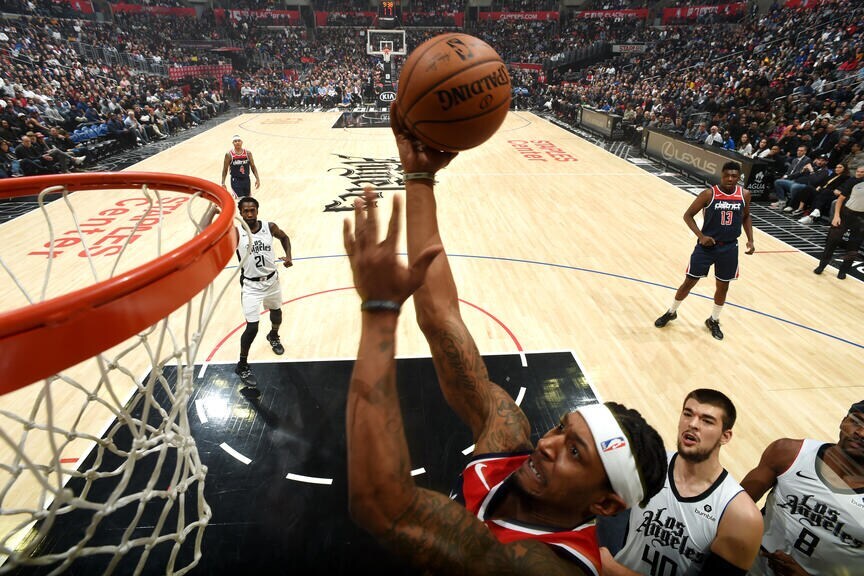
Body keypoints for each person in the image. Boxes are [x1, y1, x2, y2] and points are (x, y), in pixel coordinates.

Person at [341, 108, 669, 575]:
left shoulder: (540, 566)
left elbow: (382, 505)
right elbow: (441, 320)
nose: (548, 444)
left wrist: (378, 313)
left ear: (606, 505)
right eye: (560, 429)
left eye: (575, 452)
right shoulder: (507, 436)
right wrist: (418, 177)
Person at [598, 389, 763, 576]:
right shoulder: (648, 462)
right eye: (687, 414)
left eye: (706, 420)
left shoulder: (741, 516)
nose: (692, 424)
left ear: (725, 436)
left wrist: (613, 570)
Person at [741, 401, 864, 576]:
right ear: (843, 421)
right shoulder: (789, 453)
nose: (861, 433)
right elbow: (731, 510)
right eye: (856, 422)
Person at [654, 161, 755, 340]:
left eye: (734, 176)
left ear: (739, 177)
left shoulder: (745, 194)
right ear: (721, 176)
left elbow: (746, 216)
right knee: (688, 282)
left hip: (730, 247)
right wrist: (701, 236)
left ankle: (713, 320)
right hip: (706, 248)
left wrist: (750, 240)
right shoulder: (709, 194)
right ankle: (671, 312)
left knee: (723, 286)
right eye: (727, 176)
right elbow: (688, 215)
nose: (730, 179)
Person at [234, 196, 292, 389]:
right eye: (245, 211)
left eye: (252, 210)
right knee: (252, 328)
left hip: (272, 281)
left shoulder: (270, 227)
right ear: (240, 213)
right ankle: (242, 365)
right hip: (251, 286)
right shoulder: (235, 233)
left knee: (277, 314)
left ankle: (273, 336)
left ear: (257, 210)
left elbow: (285, 237)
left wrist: (289, 257)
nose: (249, 214)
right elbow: (205, 233)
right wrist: (213, 213)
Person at [812, 164, 864, 279]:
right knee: (832, 241)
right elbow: (840, 199)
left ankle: (843, 271)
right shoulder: (852, 182)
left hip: (861, 218)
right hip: (846, 214)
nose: (859, 173)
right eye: (858, 171)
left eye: (862, 172)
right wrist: (836, 216)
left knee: (853, 248)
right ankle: (822, 265)